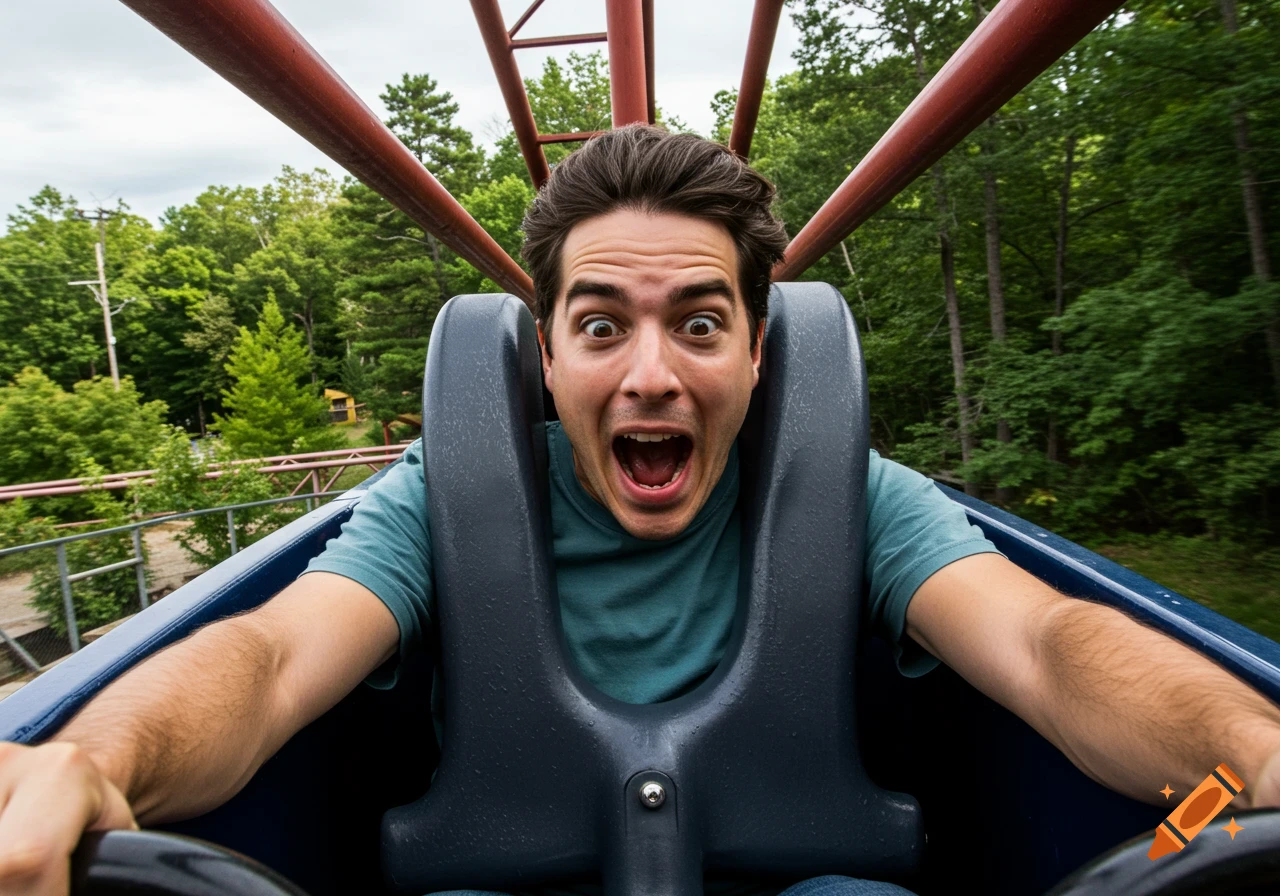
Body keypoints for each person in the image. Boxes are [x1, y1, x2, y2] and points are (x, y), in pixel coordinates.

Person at [1, 126, 1279, 896]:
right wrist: (100, 761)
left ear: (759, 355)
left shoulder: (849, 495)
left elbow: (1047, 647)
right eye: (602, 324)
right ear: (544, 360)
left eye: (700, 323)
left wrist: (1245, 740)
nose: (652, 373)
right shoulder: (450, 498)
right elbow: (273, 657)